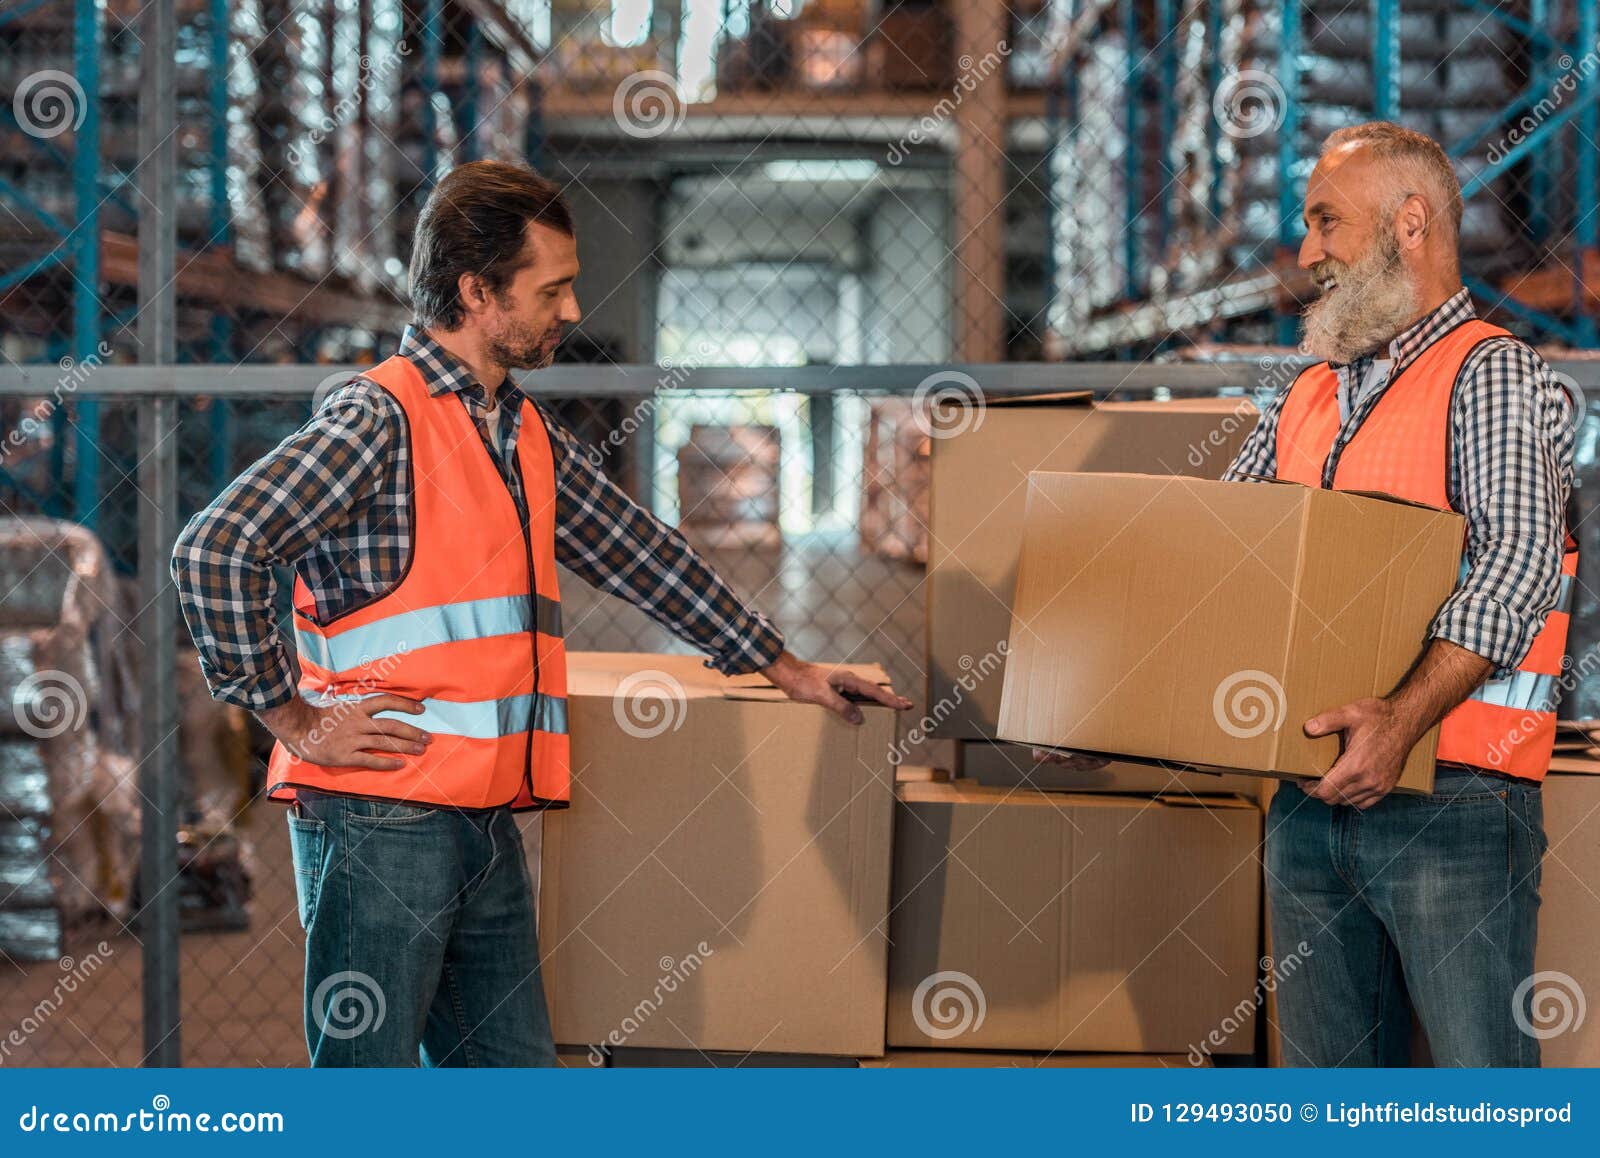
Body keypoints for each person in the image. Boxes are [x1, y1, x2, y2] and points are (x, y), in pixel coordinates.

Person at [171, 159, 910, 1067]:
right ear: (477, 292)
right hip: (378, 818)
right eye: (551, 288)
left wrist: (783, 665)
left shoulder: (519, 429)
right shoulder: (379, 420)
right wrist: (291, 715)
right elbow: (216, 548)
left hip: (484, 821)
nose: (570, 310)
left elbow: (642, 554)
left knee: (514, 1080)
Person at [1222, 122, 1576, 1066]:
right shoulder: (1306, 391)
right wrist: (1112, 709)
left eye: (1325, 221)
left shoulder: (1490, 372)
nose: (1307, 254)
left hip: (1451, 800)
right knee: (1329, 1101)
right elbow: (1220, 562)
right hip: (1307, 796)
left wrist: (1401, 717)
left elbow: (1519, 563)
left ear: (1409, 222)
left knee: (1479, 1094)